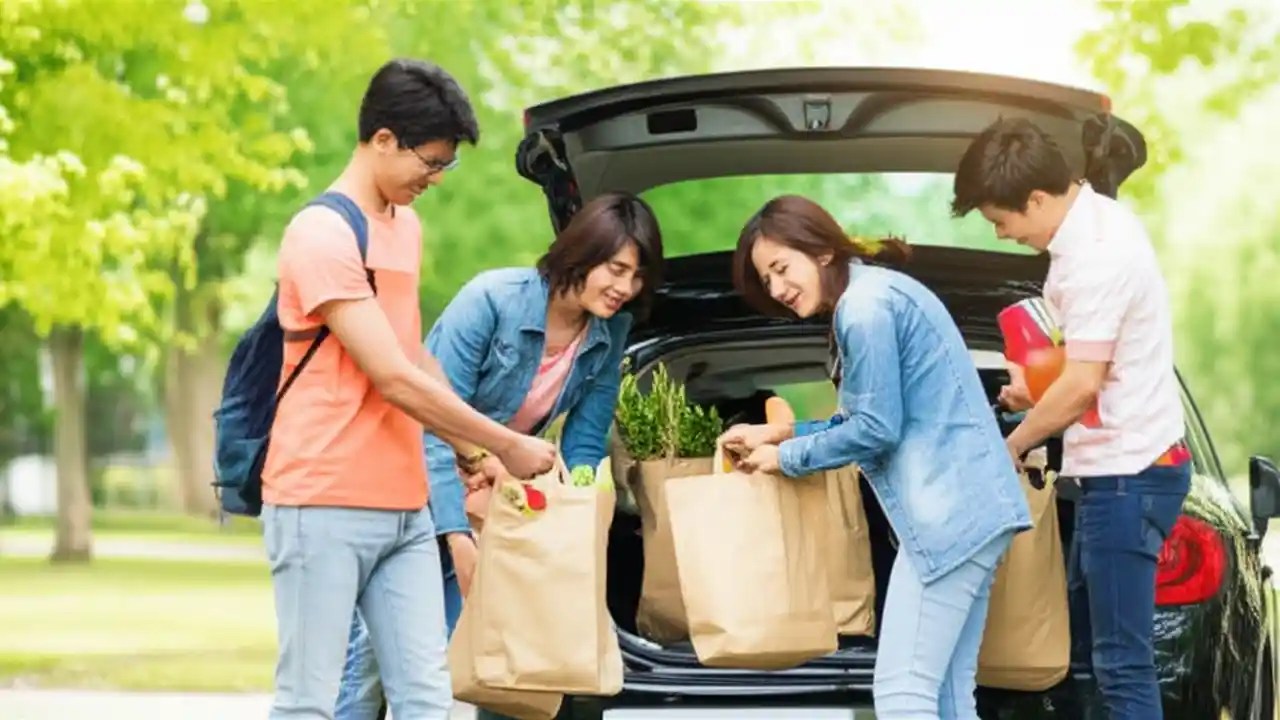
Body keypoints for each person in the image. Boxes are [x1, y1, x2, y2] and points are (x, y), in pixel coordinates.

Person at [261, 58, 557, 720]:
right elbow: (389, 377)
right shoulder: (321, 235)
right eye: (429, 161)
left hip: (404, 507)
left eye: (445, 165)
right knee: (310, 702)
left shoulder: (405, 226)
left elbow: (414, 356)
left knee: (427, 699)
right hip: (322, 502)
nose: (435, 178)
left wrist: (472, 453)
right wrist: (506, 442)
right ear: (383, 139)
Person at [333, 192, 665, 720]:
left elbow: (583, 439)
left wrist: (574, 517)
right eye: (616, 268)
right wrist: (457, 539)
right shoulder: (492, 300)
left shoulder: (610, 329)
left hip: (493, 499)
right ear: (582, 252)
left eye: (638, 276)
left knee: (502, 665)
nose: (625, 288)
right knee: (373, 670)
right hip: (411, 489)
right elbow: (429, 419)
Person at [719, 195, 1031, 720]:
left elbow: (874, 430)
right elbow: (868, 419)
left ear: (819, 251)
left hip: (947, 516)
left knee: (901, 694)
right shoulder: (879, 293)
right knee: (951, 697)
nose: (776, 288)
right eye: (766, 279)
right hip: (979, 510)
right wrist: (780, 434)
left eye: (780, 268)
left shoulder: (863, 309)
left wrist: (786, 458)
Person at [951, 117, 1190, 720]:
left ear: (1035, 199)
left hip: (1128, 475)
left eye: (1001, 222)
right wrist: (1032, 396)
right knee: (1092, 658)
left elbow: (1083, 386)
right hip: (1117, 469)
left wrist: (1015, 443)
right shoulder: (1094, 228)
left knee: (1120, 665)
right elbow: (1089, 372)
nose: (1003, 236)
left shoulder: (1098, 256)